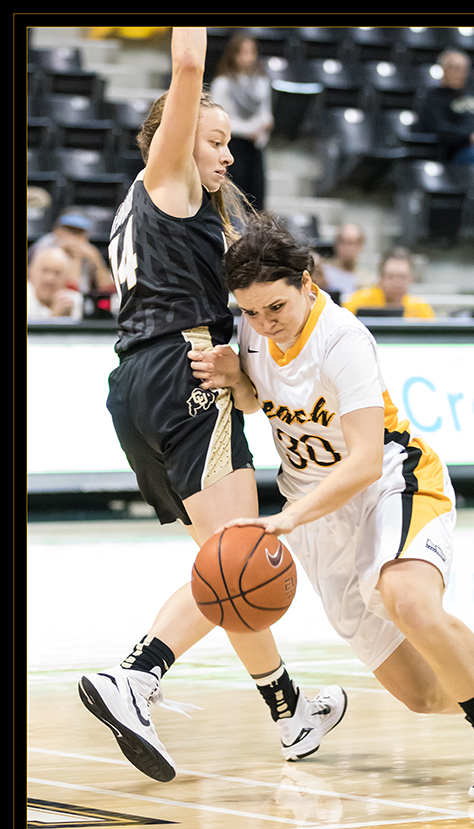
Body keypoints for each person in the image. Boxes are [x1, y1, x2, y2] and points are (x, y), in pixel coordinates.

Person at [188, 213, 474, 803]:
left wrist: (287, 519)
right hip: (319, 512)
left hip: (392, 483)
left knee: (408, 598)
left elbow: (365, 460)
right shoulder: (255, 335)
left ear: (307, 283)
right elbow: (261, 400)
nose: (265, 324)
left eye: (275, 309)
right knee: (421, 694)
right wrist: (238, 379)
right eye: (250, 312)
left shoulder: (342, 339)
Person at [77, 28, 346, 785]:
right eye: (216, 139)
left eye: (230, 142)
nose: (227, 154)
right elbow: (189, 61)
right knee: (237, 557)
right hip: (182, 369)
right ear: (174, 136)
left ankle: (289, 708)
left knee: (225, 564)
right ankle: (137, 675)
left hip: (136, 382)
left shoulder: (148, 208)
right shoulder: (169, 178)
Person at [209, 31, 273, 211]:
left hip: (255, 145)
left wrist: (265, 123)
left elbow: (265, 112)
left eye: (251, 52)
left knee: (256, 199)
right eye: (243, 52)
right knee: (236, 198)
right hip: (233, 145)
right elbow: (219, 118)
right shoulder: (223, 83)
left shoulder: (261, 81)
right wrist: (247, 130)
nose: (248, 57)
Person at [28, 209, 115, 294]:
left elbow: (107, 288)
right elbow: (72, 288)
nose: (72, 237)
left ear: (86, 236)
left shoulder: (89, 250)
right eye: (68, 231)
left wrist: (96, 260)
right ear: (57, 230)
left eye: (78, 233)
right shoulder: (46, 246)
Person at [344, 249, 435, 318]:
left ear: (410, 279)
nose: (397, 283)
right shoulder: (359, 302)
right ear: (381, 278)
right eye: (391, 277)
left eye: (402, 277)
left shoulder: (420, 307)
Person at [319, 224, 372, 304]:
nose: (348, 248)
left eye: (352, 243)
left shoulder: (368, 280)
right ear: (336, 244)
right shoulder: (323, 273)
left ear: (361, 246)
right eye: (343, 243)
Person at [27, 246, 82, 321]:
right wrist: (55, 318)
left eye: (57, 273)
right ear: (30, 271)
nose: (50, 278)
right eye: (45, 270)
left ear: (67, 278)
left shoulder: (77, 302)